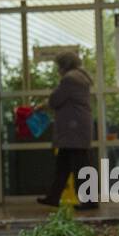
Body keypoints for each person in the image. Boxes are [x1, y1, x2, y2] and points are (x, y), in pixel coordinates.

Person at [38, 51, 99, 210]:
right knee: (64, 164)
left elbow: (55, 99)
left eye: (58, 66)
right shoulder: (80, 76)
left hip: (74, 129)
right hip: (76, 129)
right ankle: (53, 197)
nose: (57, 69)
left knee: (80, 166)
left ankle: (89, 201)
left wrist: (43, 105)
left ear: (64, 65)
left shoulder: (70, 79)